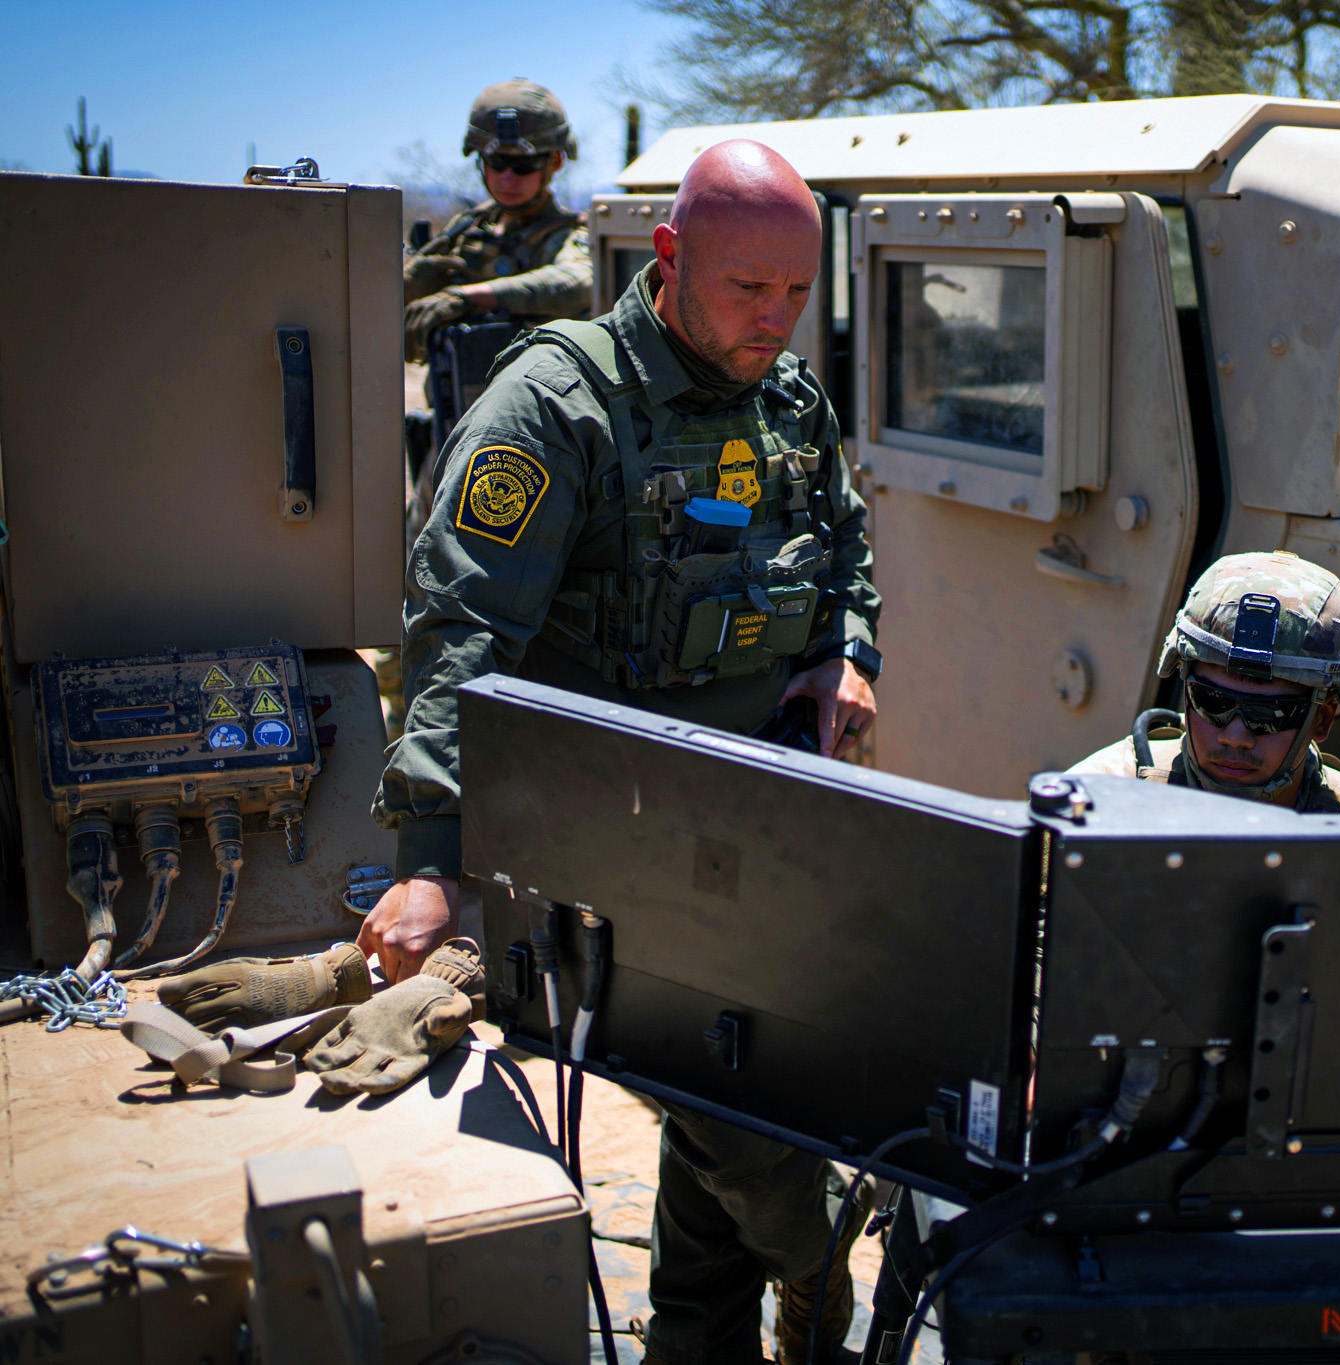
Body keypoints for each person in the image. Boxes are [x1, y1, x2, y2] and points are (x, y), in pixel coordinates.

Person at [363, 139, 884, 1365]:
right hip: (604, 837)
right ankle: (816, 1279)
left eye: (798, 293)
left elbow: (846, 547)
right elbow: (461, 630)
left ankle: (695, 1341)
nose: (775, 319)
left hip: (760, 818)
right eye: (747, 291)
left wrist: (845, 652)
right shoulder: (556, 405)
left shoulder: (786, 396)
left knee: (741, 1089)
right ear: (668, 259)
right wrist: (435, 859)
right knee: (747, 1127)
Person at [1068, 551, 1340, 815]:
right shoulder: (1093, 805)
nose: (1235, 737)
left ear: (1322, 719)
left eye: (1269, 715)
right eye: (1212, 701)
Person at [401, 79, 593, 363]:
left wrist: (468, 296)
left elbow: (580, 282)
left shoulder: (569, 234)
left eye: (524, 165)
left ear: (554, 163)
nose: (508, 178)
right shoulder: (467, 230)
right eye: (497, 162)